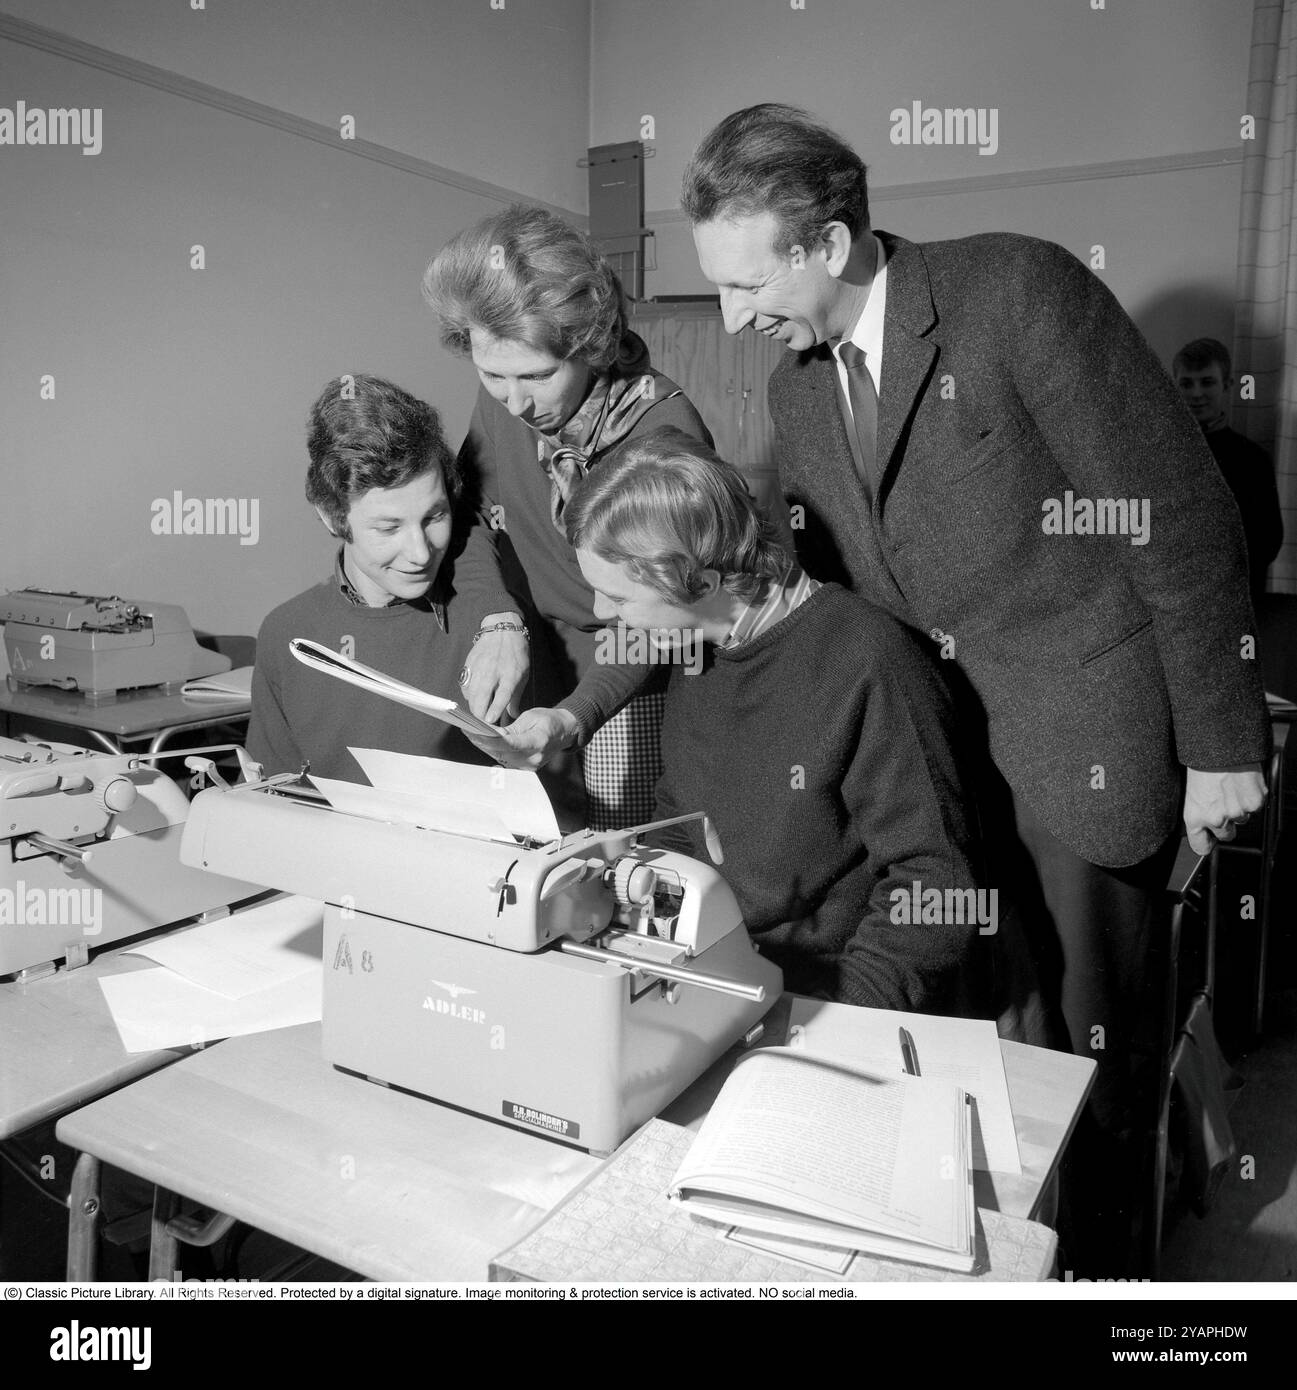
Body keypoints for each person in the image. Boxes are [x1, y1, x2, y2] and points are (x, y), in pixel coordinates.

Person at [680, 103, 1270, 1274]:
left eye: (749, 283)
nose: (734, 317)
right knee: (975, 1041)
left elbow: (1175, 513)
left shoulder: (1017, 295)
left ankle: (1109, 1278)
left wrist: (1219, 738)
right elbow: (831, 576)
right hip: (941, 759)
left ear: (831, 242)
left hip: (1084, 734)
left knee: (1093, 1061)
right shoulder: (802, 391)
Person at [563, 426, 990, 1014]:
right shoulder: (695, 650)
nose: (597, 613)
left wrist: (837, 1015)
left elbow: (935, 883)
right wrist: (656, 951)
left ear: (702, 583)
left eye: (617, 598)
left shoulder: (868, 659)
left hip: (826, 992)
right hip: (718, 976)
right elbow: (678, 822)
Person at [423, 206, 714, 829]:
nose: (515, 400)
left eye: (538, 375)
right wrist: (498, 619)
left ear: (592, 344)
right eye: (491, 374)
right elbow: (470, 513)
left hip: (632, 675)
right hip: (531, 649)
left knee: (619, 861)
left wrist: (576, 715)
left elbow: (662, 615)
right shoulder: (505, 392)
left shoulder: (664, 430)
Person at [246, 374, 494, 782]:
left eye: (434, 516)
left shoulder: (492, 623)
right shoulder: (285, 633)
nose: (420, 552)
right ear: (332, 517)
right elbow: (271, 799)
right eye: (389, 528)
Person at [1173, 337, 1284, 608]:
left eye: (1207, 382)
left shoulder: (1253, 460)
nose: (1196, 393)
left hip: (1233, 602)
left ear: (1227, 386)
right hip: (1174, 601)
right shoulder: (1160, 455)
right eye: (1187, 383)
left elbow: (1267, 542)